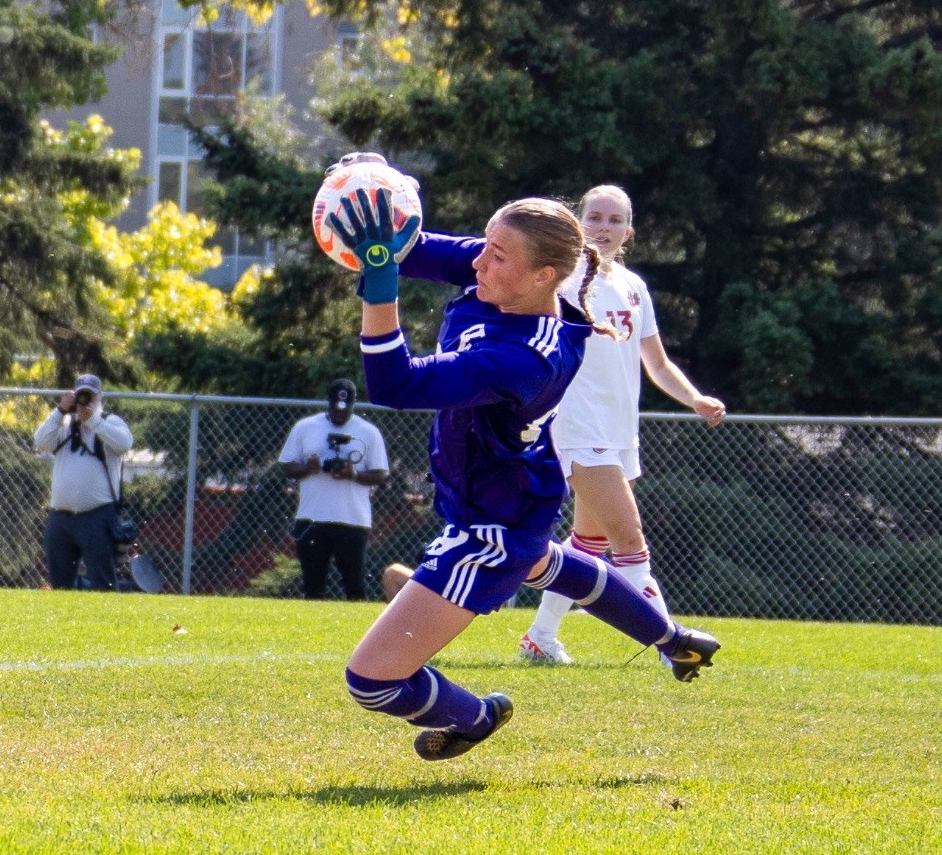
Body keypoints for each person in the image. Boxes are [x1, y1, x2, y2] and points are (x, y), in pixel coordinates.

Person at [323, 160, 719, 761]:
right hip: (515, 491)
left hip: (491, 526)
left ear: (544, 276)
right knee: (547, 563)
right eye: (484, 244)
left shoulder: (524, 358)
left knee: (372, 682)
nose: (479, 260)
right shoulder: (506, 275)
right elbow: (419, 249)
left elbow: (394, 384)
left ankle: (476, 717)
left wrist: (380, 287)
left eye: (497, 255)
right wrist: (381, 228)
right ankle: (675, 638)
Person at [519, 185, 727, 666]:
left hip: (617, 431)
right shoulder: (561, 280)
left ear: (628, 232)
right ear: (578, 222)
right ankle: (672, 645)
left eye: (615, 220)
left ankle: (540, 636)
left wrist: (694, 398)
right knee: (629, 539)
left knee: (587, 543)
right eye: (594, 217)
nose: (603, 228)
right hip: (574, 425)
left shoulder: (633, 286)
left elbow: (655, 361)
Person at [277, 378, 389, 600]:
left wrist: (353, 474)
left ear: (353, 406)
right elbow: (287, 465)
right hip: (312, 517)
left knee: (354, 585)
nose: (340, 414)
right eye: (335, 409)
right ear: (328, 403)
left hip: (352, 519)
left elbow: (381, 474)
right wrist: (308, 468)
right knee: (312, 586)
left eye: (345, 410)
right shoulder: (306, 427)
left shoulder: (368, 432)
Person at [33, 375, 135, 591]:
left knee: (103, 584)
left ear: (99, 398)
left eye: (90, 395)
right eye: (81, 395)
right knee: (60, 585)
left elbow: (125, 443)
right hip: (60, 518)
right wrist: (60, 410)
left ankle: (107, 623)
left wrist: (92, 420)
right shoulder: (64, 427)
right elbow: (40, 442)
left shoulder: (109, 422)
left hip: (97, 517)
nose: (85, 401)